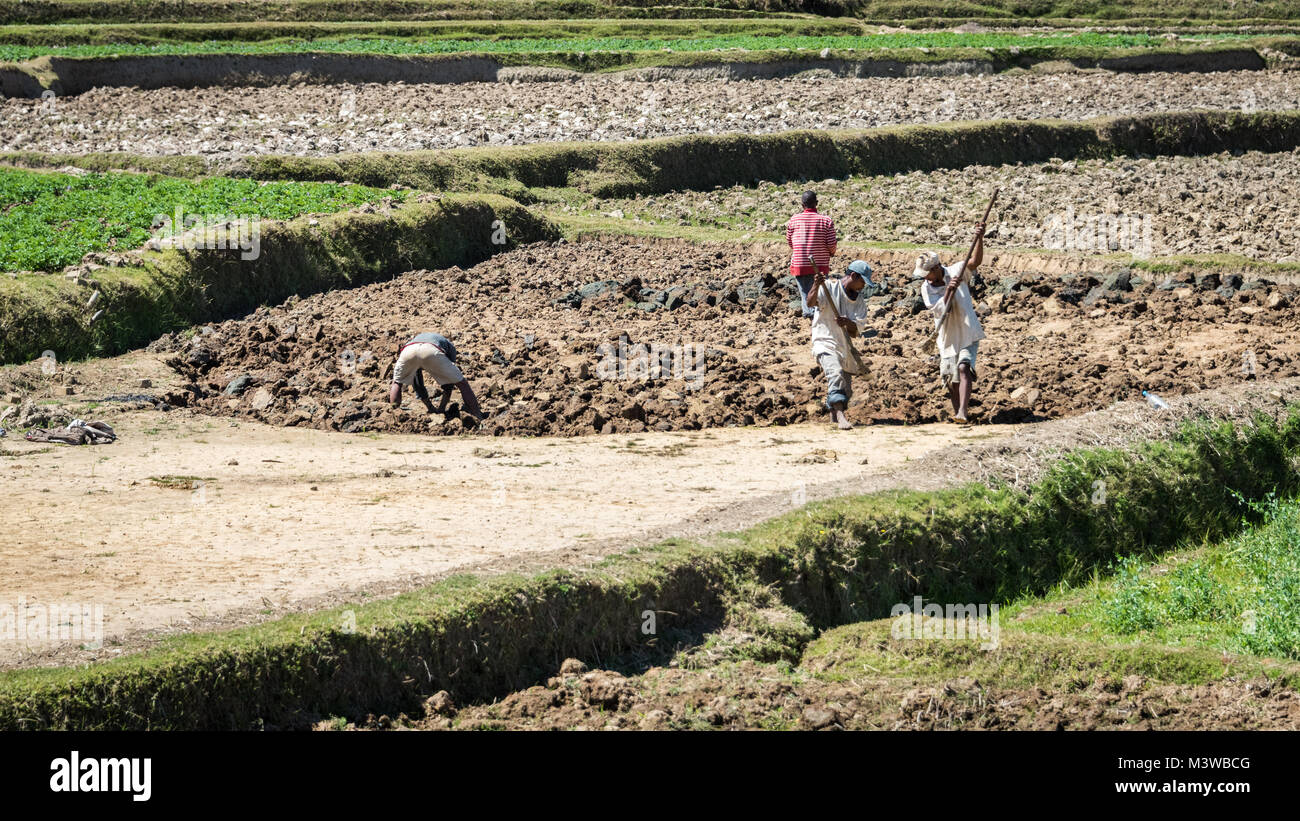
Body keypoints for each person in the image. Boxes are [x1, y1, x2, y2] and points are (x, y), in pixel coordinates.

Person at [915, 224, 986, 424]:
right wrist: (948, 291)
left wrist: (980, 238)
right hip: (946, 337)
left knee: (964, 368)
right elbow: (938, 311)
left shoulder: (957, 270)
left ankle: (963, 412)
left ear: (937, 268)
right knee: (951, 378)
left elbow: (975, 261)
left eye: (928, 273)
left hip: (967, 331)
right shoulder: (926, 288)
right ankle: (958, 414)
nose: (926, 278)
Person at [810, 259, 872, 430]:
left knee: (846, 389)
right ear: (853, 276)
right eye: (862, 282)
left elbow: (855, 330)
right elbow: (810, 303)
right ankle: (840, 416)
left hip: (844, 346)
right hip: (824, 340)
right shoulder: (829, 287)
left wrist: (847, 322)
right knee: (835, 373)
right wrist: (816, 286)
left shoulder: (859, 302)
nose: (863, 286)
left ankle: (833, 415)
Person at [388, 332, 484, 420]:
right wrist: (441, 409)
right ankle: (477, 415)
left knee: (397, 383)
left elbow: (417, 383)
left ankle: (394, 416)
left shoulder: (416, 339)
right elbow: (449, 383)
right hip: (431, 350)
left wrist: (431, 408)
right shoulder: (449, 345)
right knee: (462, 384)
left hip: (408, 350)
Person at [786, 190, 838, 319]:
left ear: (802, 205)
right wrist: (831, 253)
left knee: (805, 293)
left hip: (800, 263)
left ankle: (808, 314)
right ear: (816, 203)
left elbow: (790, 241)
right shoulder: (826, 220)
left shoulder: (794, 220)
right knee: (819, 292)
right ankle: (816, 316)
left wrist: (800, 251)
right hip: (820, 264)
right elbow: (832, 243)